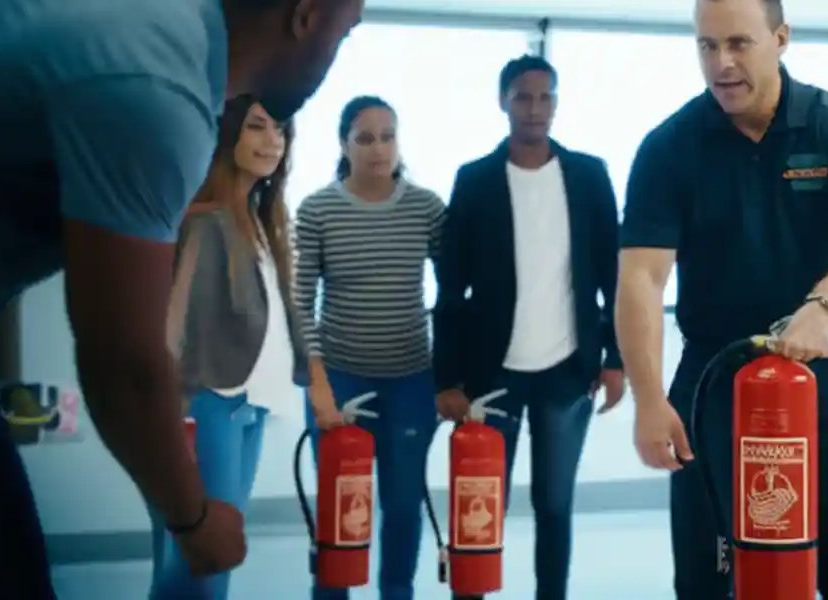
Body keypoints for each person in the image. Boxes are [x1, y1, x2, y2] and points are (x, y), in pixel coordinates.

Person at [0, 0, 364, 599]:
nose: (335, 56)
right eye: (344, 33)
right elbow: (121, 359)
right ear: (306, 16)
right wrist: (193, 519)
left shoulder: (133, 29)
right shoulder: (160, 96)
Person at [615, 0, 828, 599]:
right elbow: (641, 277)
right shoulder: (670, 146)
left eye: (739, 43)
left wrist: (825, 306)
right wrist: (646, 400)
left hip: (827, 380)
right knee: (710, 580)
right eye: (706, 45)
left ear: (780, 38)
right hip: (711, 387)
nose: (721, 63)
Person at [433, 55, 625, 600]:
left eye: (546, 97)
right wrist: (447, 378)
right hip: (492, 373)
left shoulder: (589, 175)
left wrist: (616, 360)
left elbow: (612, 276)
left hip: (568, 370)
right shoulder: (475, 180)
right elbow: (450, 289)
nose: (535, 109)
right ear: (503, 101)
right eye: (523, 97)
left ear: (557, 103)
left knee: (555, 504)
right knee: (481, 499)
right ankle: (469, 593)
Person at [150, 96, 309, 599]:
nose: (272, 142)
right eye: (257, 128)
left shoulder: (261, 220)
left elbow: (285, 316)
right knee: (204, 566)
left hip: (249, 407)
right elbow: (174, 325)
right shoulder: (205, 220)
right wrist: (174, 420)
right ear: (229, 137)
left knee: (198, 563)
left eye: (280, 131)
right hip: (206, 405)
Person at [294, 96, 444, 600]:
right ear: (344, 144)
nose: (379, 147)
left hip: (410, 380)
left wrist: (452, 376)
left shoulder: (426, 207)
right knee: (340, 506)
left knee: (402, 504)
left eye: (388, 135)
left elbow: (460, 290)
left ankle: (396, 592)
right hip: (340, 379)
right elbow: (300, 303)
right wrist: (318, 388)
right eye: (365, 137)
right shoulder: (317, 209)